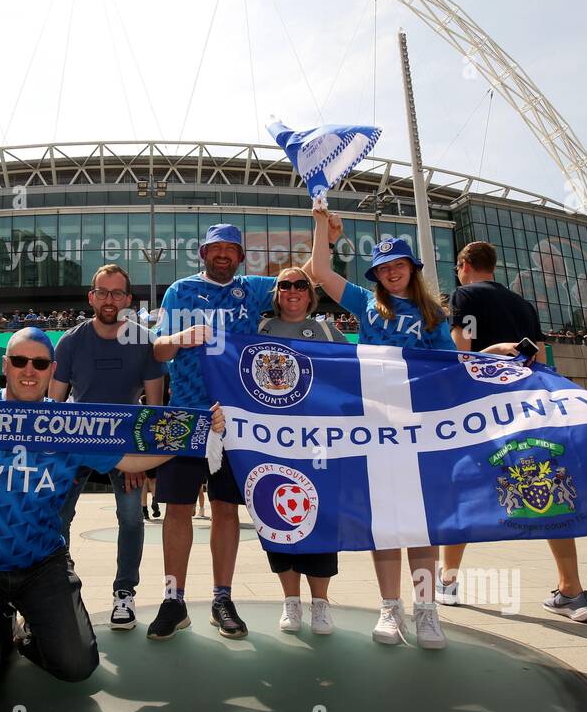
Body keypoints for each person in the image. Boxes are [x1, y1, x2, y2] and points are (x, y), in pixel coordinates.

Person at [0, 328, 227, 695]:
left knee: (77, 666)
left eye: (40, 363)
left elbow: (132, 461)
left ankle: (27, 633)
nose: (30, 370)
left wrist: (197, 433)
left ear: (52, 370)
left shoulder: (69, 425)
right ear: (5, 365)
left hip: (42, 564)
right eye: (20, 361)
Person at [310, 206, 453, 647]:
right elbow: (318, 270)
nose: (392, 273)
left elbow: (450, 367)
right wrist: (322, 226)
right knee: (387, 522)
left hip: (419, 429)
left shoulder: (434, 317)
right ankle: (390, 608)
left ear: (413, 268)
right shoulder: (365, 303)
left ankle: (426, 610)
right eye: (384, 267)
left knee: (422, 524)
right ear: (375, 275)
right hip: (375, 429)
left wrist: (493, 355)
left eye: (399, 265)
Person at [148, 223, 298, 640]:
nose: (223, 255)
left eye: (231, 249)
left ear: (241, 257)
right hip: (187, 415)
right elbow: (158, 350)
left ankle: (222, 598)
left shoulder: (253, 288)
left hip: (236, 418)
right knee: (177, 508)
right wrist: (180, 336)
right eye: (216, 249)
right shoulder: (179, 290)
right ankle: (173, 599)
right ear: (203, 253)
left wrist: (323, 227)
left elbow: (305, 277)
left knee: (225, 508)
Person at [438, 241, 587, 620]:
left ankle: (447, 580)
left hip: (480, 408)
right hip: (525, 406)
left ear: (463, 265)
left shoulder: (464, 295)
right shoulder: (523, 305)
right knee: (544, 487)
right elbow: (538, 357)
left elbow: (463, 350)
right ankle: (572, 590)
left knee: (461, 488)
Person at [50, 265, 166, 630]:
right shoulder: (70, 341)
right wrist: (56, 460)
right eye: (103, 292)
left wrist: (141, 461)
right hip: (77, 441)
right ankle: (57, 588)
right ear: (91, 297)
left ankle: (124, 594)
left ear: (129, 300)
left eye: (117, 293)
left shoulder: (144, 340)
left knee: (131, 518)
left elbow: (155, 408)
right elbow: (54, 406)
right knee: (57, 517)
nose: (110, 300)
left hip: (125, 443)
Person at [257, 265, 348, 635]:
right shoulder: (258, 330)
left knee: (320, 518)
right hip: (271, 442)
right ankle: (290, 602)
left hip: (317, 441)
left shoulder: (327, 330)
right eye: (285, 285)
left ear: (310, 295)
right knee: (276, 516)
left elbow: (353, 374)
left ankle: (321, 604)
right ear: (276, 293)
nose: (293, 290)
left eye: (300, 285)